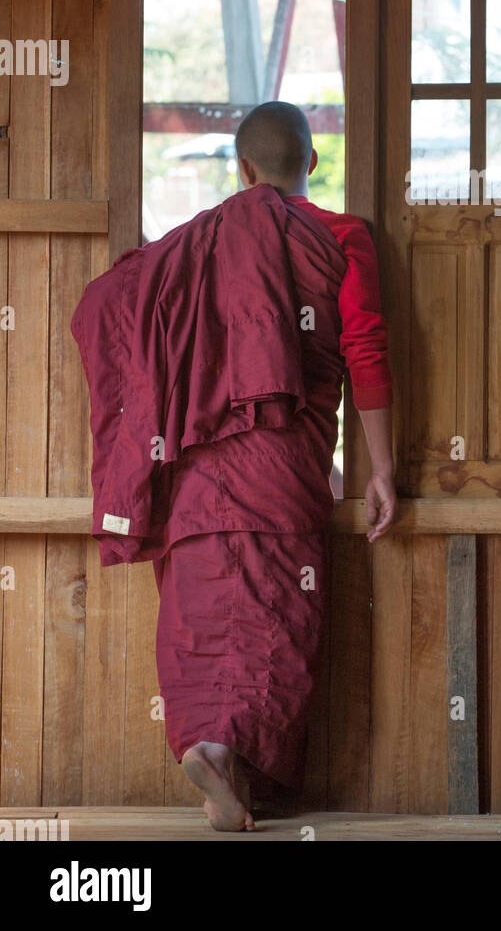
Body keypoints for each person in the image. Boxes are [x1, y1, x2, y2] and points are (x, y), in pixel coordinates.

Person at [72, 101, 397, 831]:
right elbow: (366, 351)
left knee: (197, 613)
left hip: (191, 470)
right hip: (283, 465)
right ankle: (226, 752)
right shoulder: (340, 237)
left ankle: (206, 745)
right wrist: (378, 470)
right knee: (277, 612)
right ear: (310, 164)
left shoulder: (191, 246)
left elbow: (106, 305)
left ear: (243, 169)